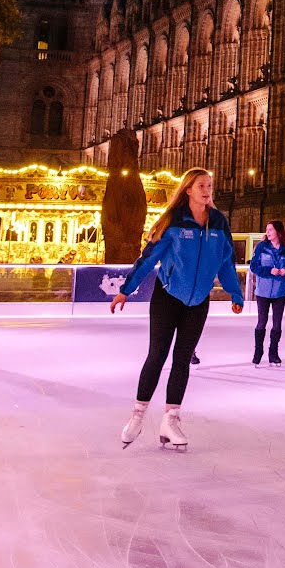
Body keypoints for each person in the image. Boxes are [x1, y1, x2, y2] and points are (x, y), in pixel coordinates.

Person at [110, 168, 243, 451]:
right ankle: (137, 416)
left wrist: (235, 293)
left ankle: (170, 420)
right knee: (157, 355)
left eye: (209, 185)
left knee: (182, 359)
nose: (207, 190)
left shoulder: (219, 222)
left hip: (198, 301)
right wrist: (126, 288)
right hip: (167, 296)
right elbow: (148, 258)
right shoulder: (173, 220)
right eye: (201, 185)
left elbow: (226, 261)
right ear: (188, 190)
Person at [248, 220, 285, 366]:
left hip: (279, 292)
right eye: (267, 229)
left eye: (270, 229)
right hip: (262, 291)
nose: (267, 232)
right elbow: (254, 266)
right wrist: (269, 270)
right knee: (261, 322)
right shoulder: (261, 247)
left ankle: (273, 353)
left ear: (278, 231)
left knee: (277, 324)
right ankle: (258, 352)